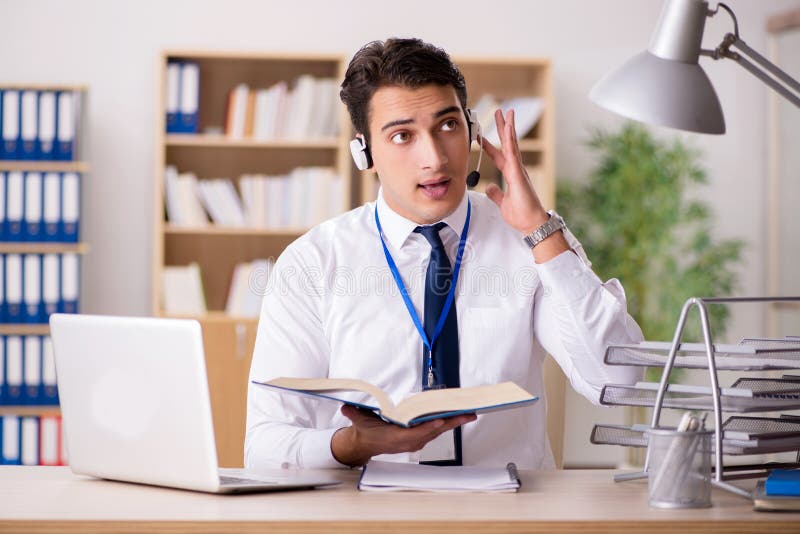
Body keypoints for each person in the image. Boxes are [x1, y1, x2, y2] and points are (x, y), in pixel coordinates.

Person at [245, 37, 643, 470]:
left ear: (472, 129)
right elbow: (264, 447)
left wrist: (539, 232)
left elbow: (617, 384)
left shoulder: (536, 238)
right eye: (402, 135)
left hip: (509, 515)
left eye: (448, 125)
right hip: (369, 516)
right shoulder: (313, 262)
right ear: (365, 154)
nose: (433, 158)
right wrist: (353, 445)